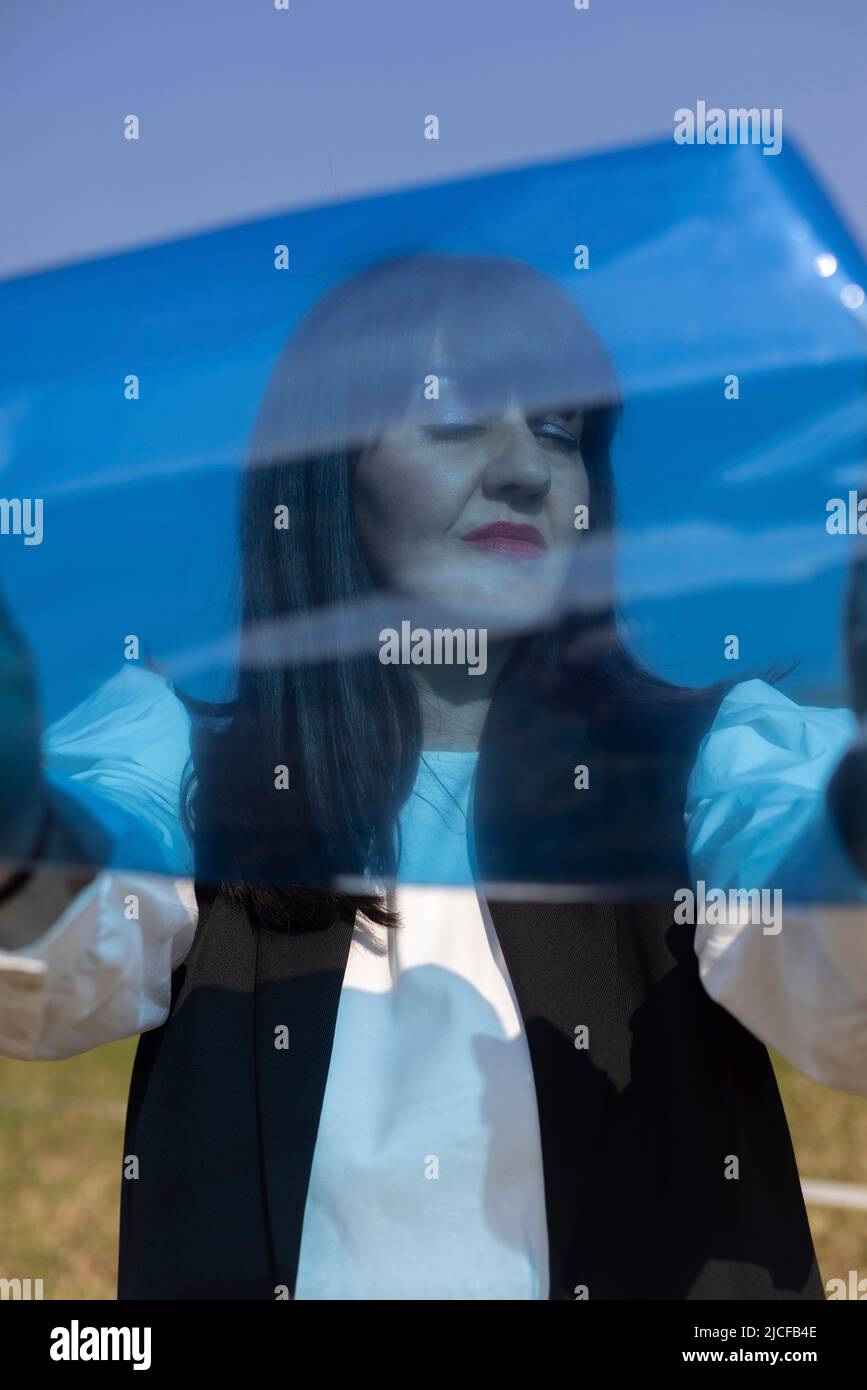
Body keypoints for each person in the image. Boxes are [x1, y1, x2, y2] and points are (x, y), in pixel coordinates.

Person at [1, 252, 866, 1301]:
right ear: (323, 467)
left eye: (561, 430)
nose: (525, 469)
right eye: (452, 415)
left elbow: (835, 989)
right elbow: (43, 980)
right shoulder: (178, 755)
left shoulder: (719, 755)